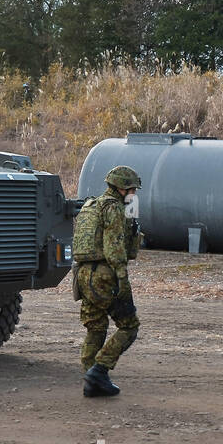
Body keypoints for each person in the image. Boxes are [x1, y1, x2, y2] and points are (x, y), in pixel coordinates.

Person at [72, 165, 143, 397]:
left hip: (83, 275)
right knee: (129, 326)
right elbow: (115, 249)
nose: (134, 194)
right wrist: (123, 279)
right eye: (132, 190)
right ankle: (99, 370)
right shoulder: (113, 208)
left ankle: (91, 381)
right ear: (122, 189)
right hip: (103, 275)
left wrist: (132, 225)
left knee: (96, 327)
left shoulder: (90, 205)